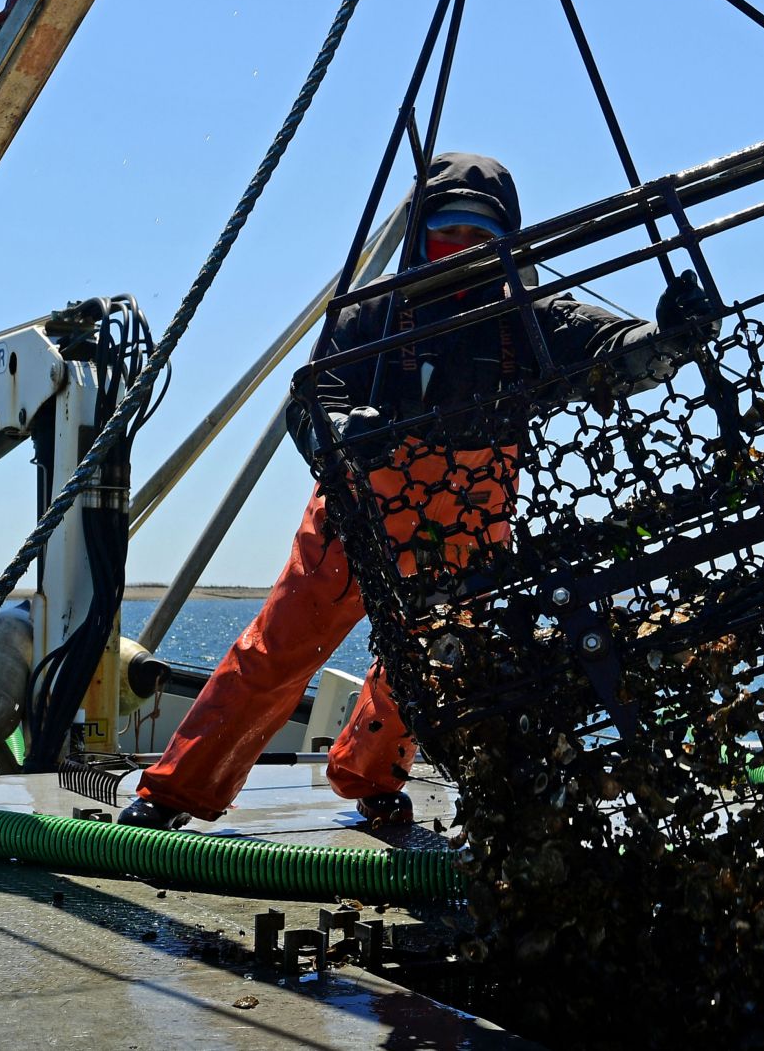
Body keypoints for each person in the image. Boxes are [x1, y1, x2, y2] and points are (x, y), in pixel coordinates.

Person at [121, 151, 720, 829]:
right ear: (420, 235)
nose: (462, 248)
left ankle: (370, 776)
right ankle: (175, 791)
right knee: (277, 650)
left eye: (479, 235)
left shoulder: (529, 318)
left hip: (467, 528)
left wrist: (668, 337)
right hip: (356, 520)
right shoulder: (371, 312)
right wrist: (339, 431)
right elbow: (312, 397)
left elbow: (613, 351)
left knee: (429, 664)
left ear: (507, 243)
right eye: (448, 231)